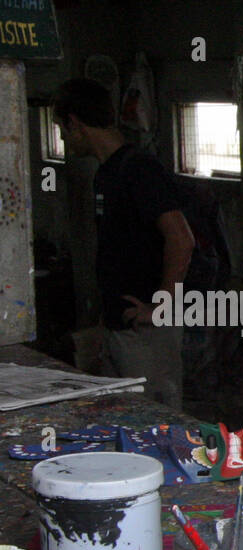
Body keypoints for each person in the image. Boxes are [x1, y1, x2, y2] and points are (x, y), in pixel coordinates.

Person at [54, 78, 193, 410]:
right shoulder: (106, 173)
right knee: (120, 421)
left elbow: (182, 239)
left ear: (74, 123)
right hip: (121, 328)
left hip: (147, 331)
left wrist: (161, 305)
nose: (61, 136)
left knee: (158, 423)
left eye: (61, 127)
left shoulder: (140, 169)